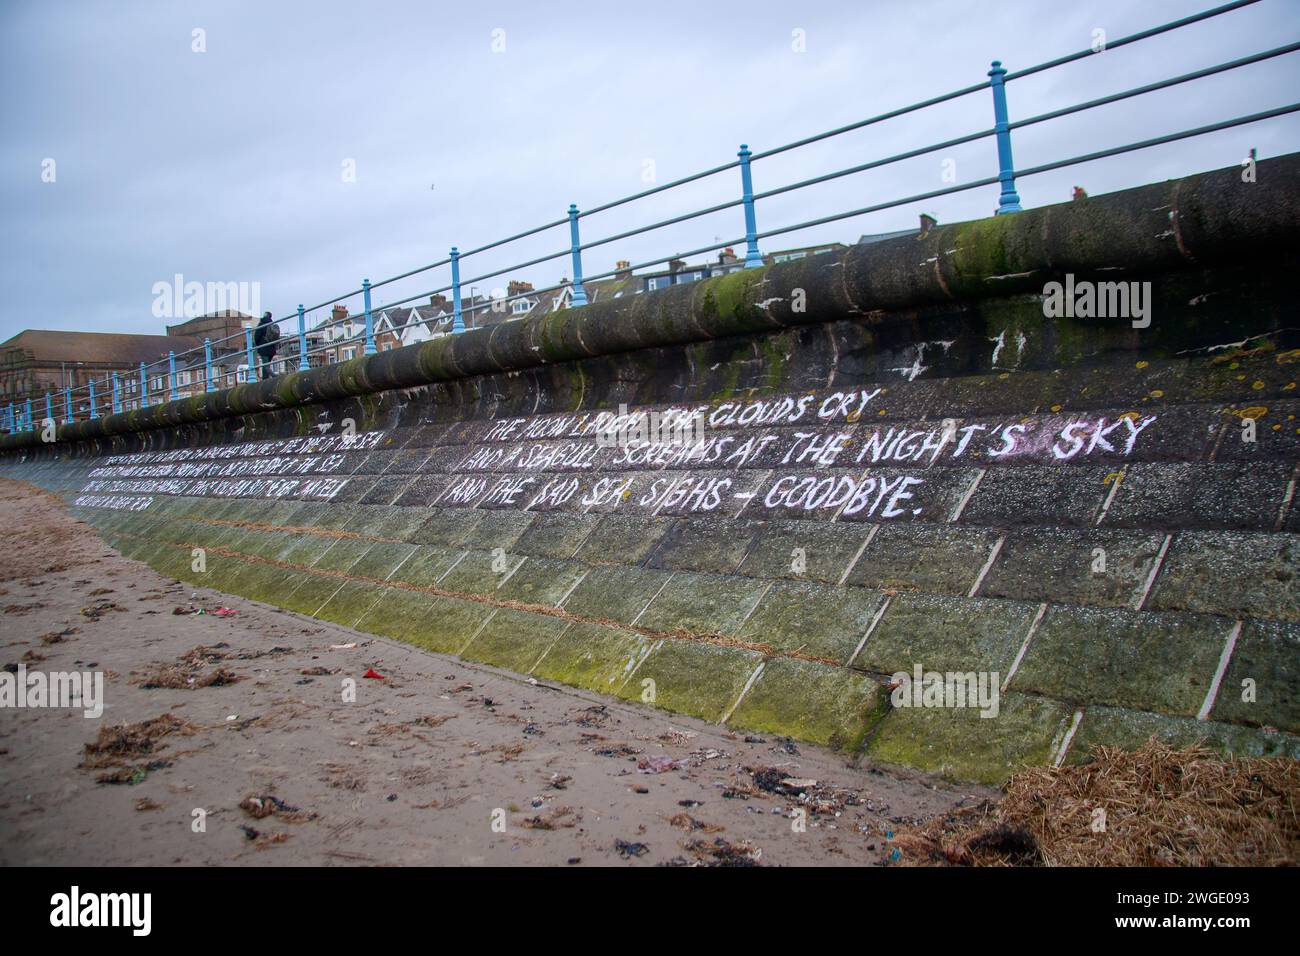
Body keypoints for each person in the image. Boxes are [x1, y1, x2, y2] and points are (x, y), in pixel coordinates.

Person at [252, 312, 281, 378]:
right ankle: (266, 379)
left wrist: (257, 345)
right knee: (267, 365)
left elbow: (257, 336)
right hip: (272, 348)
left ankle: (272, 377)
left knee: (265, 365)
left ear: (264, 316)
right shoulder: (272, 324)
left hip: (264, 348)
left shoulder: (261, 324)